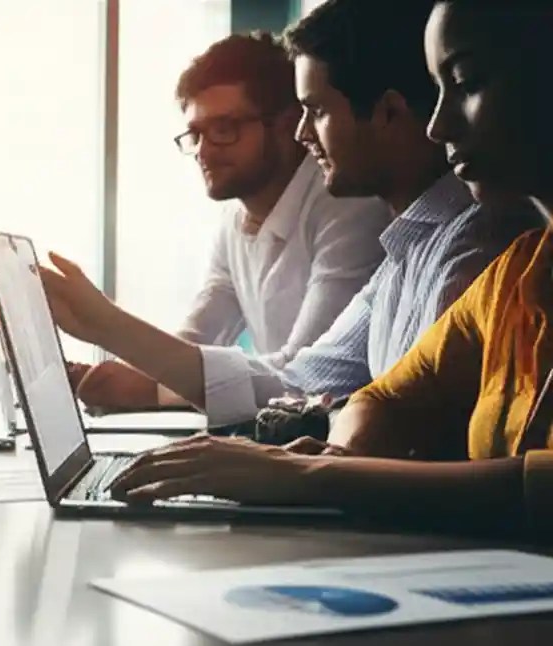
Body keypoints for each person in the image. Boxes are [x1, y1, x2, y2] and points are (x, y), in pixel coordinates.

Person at [97, 0, 553, 538]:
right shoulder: (514, 271)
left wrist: (313, 472)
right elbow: (378, 397)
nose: (438, 125)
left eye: (467, 82)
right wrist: (333, 455)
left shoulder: (475, 245)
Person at [63, 32, 390, 417]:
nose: (203, 151)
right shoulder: (233, 221)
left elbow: (305, 375)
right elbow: (196, 337)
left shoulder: (347, 205)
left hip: (330, 442)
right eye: (195, 134)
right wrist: (121, 375)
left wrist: (150, 388)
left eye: (223, 129)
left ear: (287, 125)